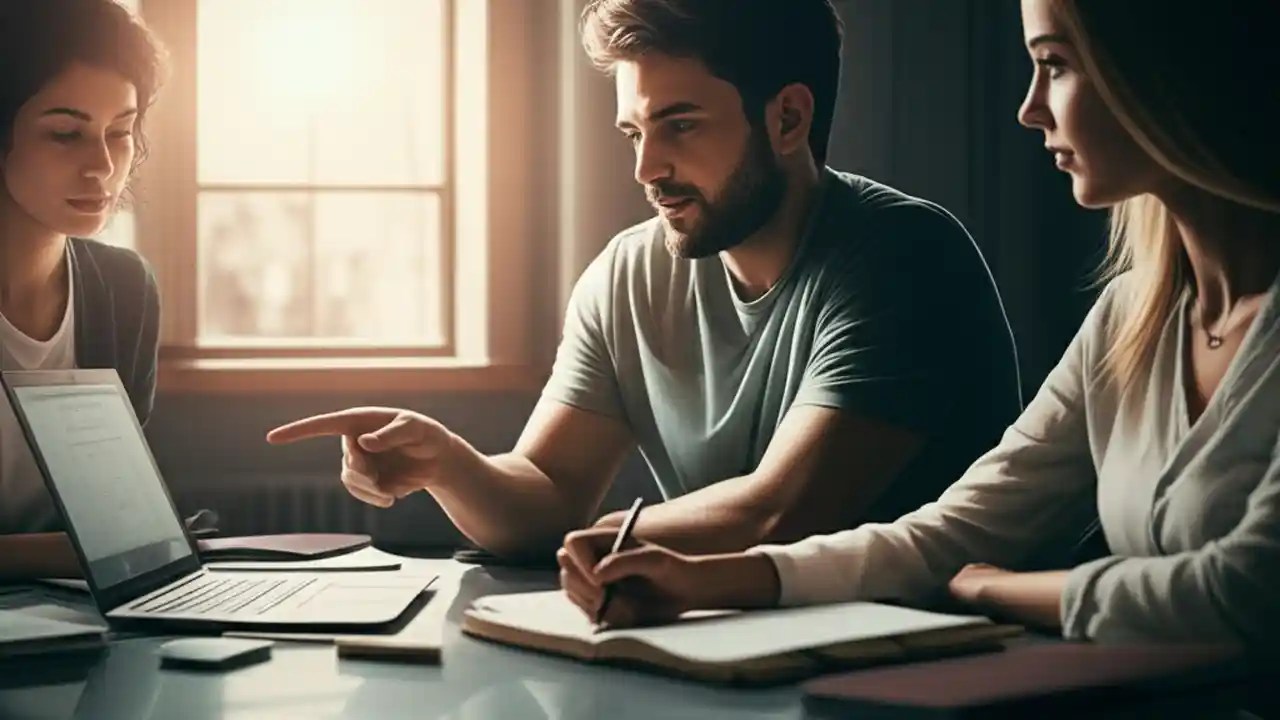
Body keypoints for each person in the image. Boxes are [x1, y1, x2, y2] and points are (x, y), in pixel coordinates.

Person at [557, 0, 1280, 660]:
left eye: (1055, 65)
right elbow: (950, 534)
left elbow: (1240, 592)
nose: (1029, 108)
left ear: (1161, 76)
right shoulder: (1132, 317)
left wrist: (997, 590)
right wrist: (702, 584)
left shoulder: (901, 251)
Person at [267, 0, 1020, 560]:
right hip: (734, 647)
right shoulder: (628, 274)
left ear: (788, 118)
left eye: (680, 125)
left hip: (932, 665)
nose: (646, 169)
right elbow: (547, 492)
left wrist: (599, 539)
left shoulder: (905, 257)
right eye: (635, 131)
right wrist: (450, 464)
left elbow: (781, 517)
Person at [0, 0, 165, 580]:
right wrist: (61, 555)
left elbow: (119, 519)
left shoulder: (124, 290)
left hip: (76, 620)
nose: (102, 165)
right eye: (66, 134)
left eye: (119, 133)